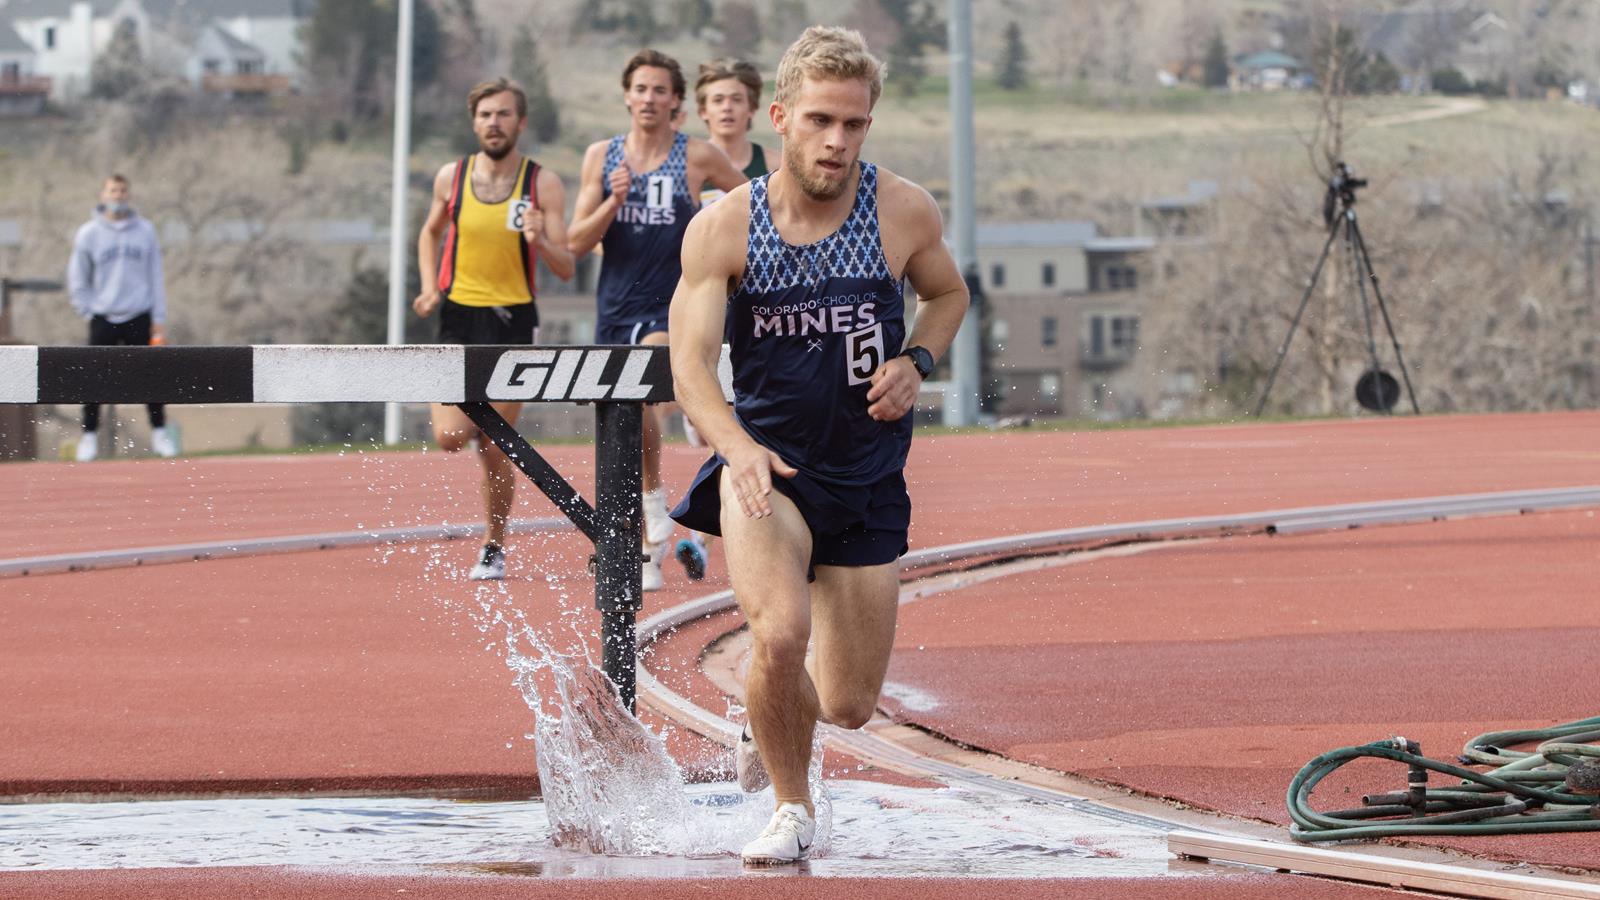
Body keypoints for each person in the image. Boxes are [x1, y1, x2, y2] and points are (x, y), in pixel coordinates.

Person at [667, 26, 970, 865]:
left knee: (846, 704)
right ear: (780, 118)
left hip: (868, 475)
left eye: (855, 124)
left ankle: (765, 718)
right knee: (780, 634)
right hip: (771, 471)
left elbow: (948, 293)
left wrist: (918, 359)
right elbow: (688, 363)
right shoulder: (728, 227)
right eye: (821, 121)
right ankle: (791, 807)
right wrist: (735, 448)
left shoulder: (901, 208)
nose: (837, 142)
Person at [567, 49, 745, 592]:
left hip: (672, 301)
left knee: (648, 385)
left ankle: (692, 410)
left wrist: (720, 242)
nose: (649, 99)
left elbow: (757, 203)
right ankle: (652, 512)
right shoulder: (603, 157)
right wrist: (611, 201)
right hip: (614, 305)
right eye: (640, 89)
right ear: (627, 95)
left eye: (660, 90)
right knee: (625, 421)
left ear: (675, 101)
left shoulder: (696, 155)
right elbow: (576, 242)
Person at [414, 77, 575, 581]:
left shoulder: (541, 183)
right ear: (474, 121)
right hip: (459, 315)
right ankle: (493, 535)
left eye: (504, 114)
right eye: (486, 114)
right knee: (449, 436)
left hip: (511, 319)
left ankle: (493, 544)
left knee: (496, 442)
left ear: (520, 123)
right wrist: (428, 286)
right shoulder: (452, 177)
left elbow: (566, 264)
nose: (494, 123)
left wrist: (539, 241)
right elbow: (430, 231)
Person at [671, 58, 780, 581]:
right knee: (714, 418)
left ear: (755, 109)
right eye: (718, 100)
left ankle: (704, 534)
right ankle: (703, 527)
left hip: (765, 314)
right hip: (710, 304)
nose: (728, 109)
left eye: (737, 99)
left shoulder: (778, 164)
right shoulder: (689, 167)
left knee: (742, 420)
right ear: (702, 110)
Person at [69, 174, 177, 462]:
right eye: (112, 190)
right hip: (103, 315)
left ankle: (160, 433)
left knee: (149, 375)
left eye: (122, 190)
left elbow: (155, 276)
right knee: (93, 377)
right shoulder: (89, 233)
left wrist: (158, 316)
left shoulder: (145, 231)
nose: (118, 194)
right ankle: (89, 436)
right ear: (103, 194)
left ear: (129, 194)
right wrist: (88, 310)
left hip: (139, 314)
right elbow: (78, 278)